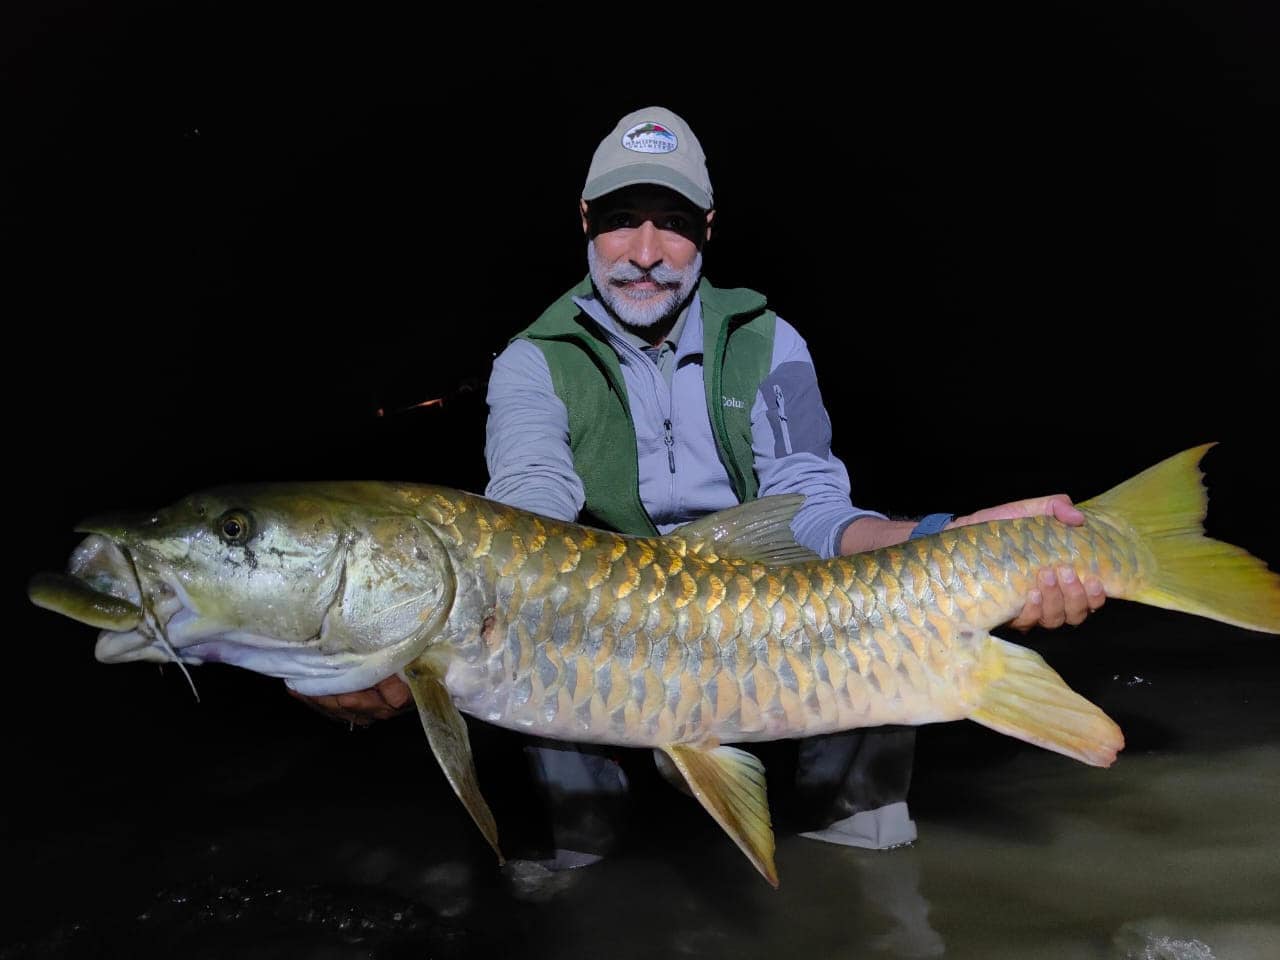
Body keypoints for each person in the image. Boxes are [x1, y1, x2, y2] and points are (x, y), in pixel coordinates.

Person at [295, 106, 1106, 867]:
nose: (645, 251)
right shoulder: (533, 361)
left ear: (706, 232)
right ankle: (589, 878)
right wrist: (394, 647)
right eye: (622, 220)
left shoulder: (769, 342)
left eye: (673, 224)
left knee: (878, 625)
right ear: (586, 221)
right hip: (612, 617)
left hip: (766, 600)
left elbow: (814, 507)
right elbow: (527, 507)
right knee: (535, 692)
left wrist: (944, 538)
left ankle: (865, 862)